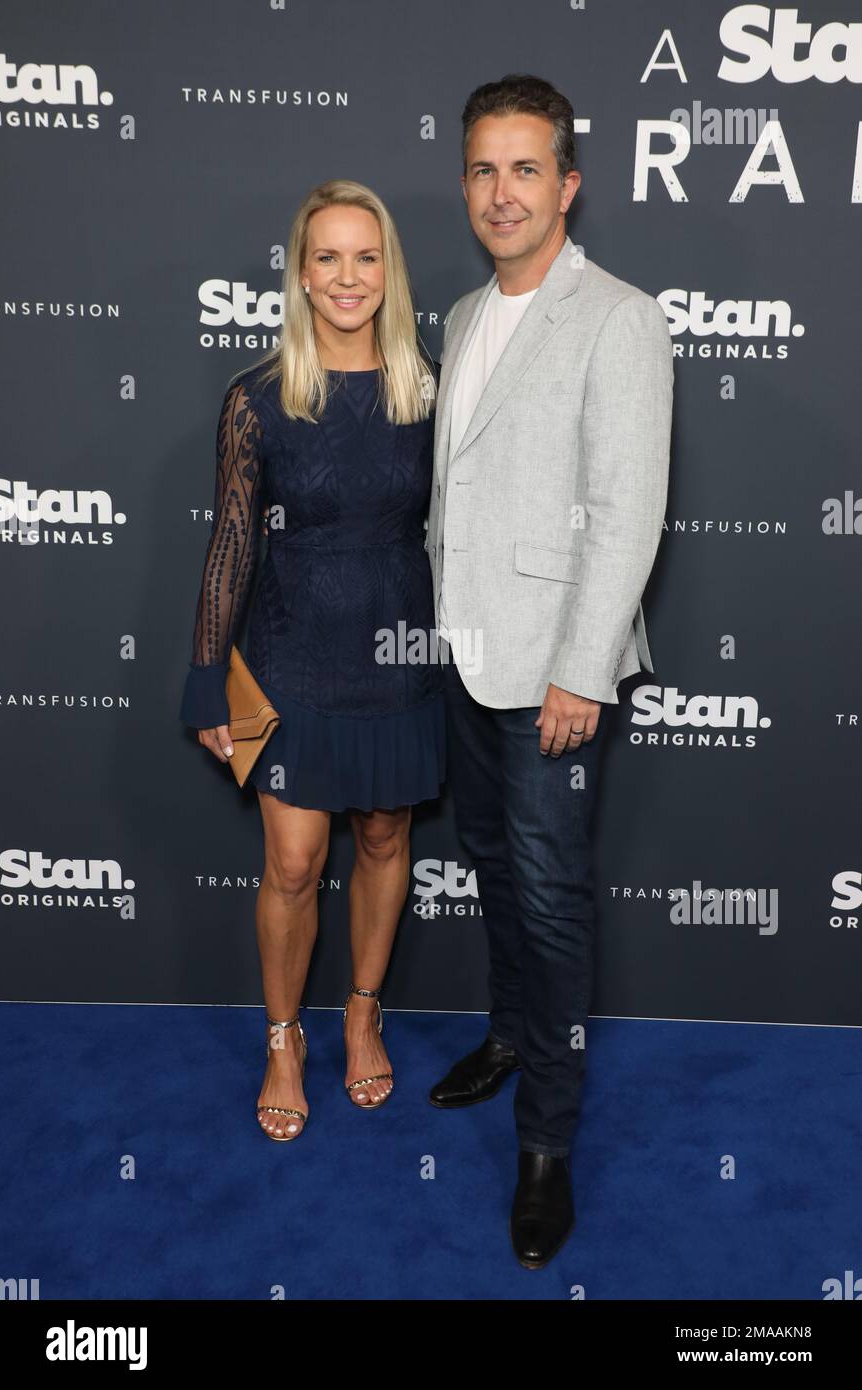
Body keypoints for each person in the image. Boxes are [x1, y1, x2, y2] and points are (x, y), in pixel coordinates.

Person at [426, 75, 673, 1267]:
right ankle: (514, 1033)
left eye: (525, 169)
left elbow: (627, 515)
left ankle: (544, 1148)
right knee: (489, 867)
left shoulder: (618, 317)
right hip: (466, 656)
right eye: (482, 169)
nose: (501, 192)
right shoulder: (466, 316)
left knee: (549, 894)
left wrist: (580, 671)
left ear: (567, 184)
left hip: (552, 676)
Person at [178, 180, 445, 1141]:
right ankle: (284, 1037)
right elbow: (232, 545)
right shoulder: (257, 397)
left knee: (382, 840)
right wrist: (209, 676)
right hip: (288, 655)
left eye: (365, 257)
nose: (347, 277)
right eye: (326, 257)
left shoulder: (430, 384)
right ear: (298, 273)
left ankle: (362, 1012)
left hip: (402, 653)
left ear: (389, 270)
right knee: (293, 862)